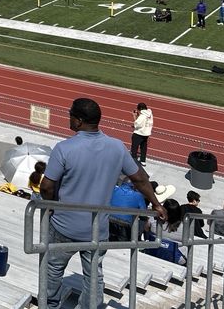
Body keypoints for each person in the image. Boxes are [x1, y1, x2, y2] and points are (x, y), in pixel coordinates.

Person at [40, 97, 165, 309]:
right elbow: (140, 178)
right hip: (97, 228)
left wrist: (52, 205)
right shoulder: (117, 147)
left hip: (64, 225)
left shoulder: (64, 148)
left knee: (52, 268)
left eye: (70, 115)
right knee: (94, 274)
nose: (69, 118)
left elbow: (46, 187)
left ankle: (49, 305)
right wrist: (156, 204)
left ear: (79, 121)